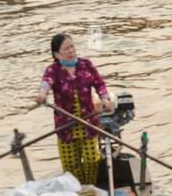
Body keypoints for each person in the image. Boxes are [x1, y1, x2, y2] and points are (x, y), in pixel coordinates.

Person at [34, 33, 114, 186]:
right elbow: (46, 84)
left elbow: (99, 84)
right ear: (57, 54)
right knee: (71, 166)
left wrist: (104, 99)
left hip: (88, 122)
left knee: (92, 159)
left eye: (72, 46)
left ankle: (90, 187)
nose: (71, 50)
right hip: (66, 126)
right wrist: (42, 95)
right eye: (66, 48)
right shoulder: (53, 70)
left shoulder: (86, 65)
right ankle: (77, 192)